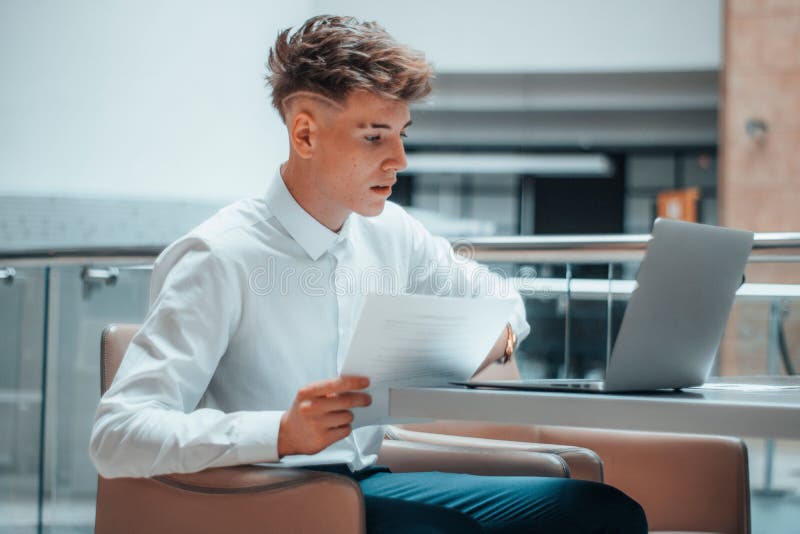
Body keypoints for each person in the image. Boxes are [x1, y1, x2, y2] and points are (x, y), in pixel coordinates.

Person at [90, 14, 647, 533]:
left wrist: (493, 342)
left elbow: (501, 304)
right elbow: (117, 435)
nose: (399, 159)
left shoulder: (392, 233)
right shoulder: (217, 255)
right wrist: (280, 431)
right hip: (270, 496)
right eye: (375, 136)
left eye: (403, 134)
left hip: (369, 480)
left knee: (603, 510)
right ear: (305, 135)